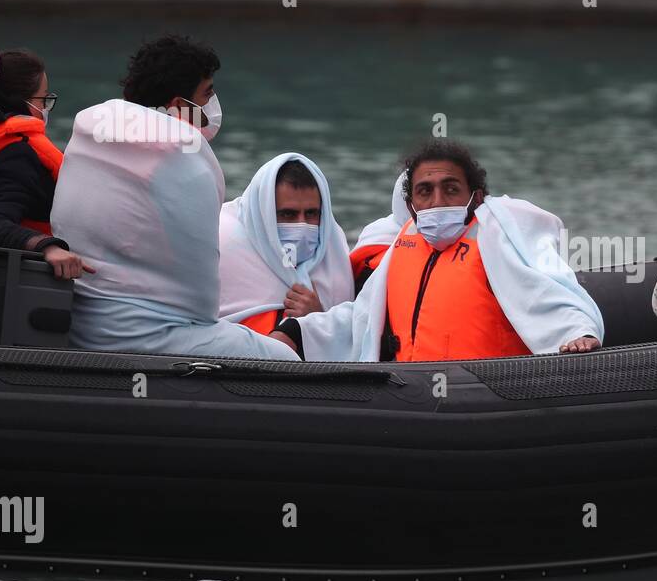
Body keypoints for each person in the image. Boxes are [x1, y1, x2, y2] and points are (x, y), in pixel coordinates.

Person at [50, 35, 297, 359]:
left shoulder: (86, 134)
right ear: (180, 105)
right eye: (207, 93)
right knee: (285, 358)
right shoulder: (184, 162)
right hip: (147, 338)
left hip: (77, 322)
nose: (213, 104)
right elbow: (202, 305)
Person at [269, 140, 603, 361]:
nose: (437, 201)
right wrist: (297, 333)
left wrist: (578, 331)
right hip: (413, 393)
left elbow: (549, 286)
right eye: (425, 191)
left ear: (477, 196)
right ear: (411, 203)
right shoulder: (404, 243)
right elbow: (361, 318)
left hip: (491, 392)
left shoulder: (499, 235)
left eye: (451, 188)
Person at [0, 47, 91, 279]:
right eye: (43, 100)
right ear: (20, 101)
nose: (44, 109)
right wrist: (46, 246)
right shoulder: (13, 152)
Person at [218, 153, 354, 335]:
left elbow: (351, 344)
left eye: (312, 214)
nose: (302, 225)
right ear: (263, 214)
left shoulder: (335, 256)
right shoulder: (222, 246)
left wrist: (318, 320)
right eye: (288, 214)